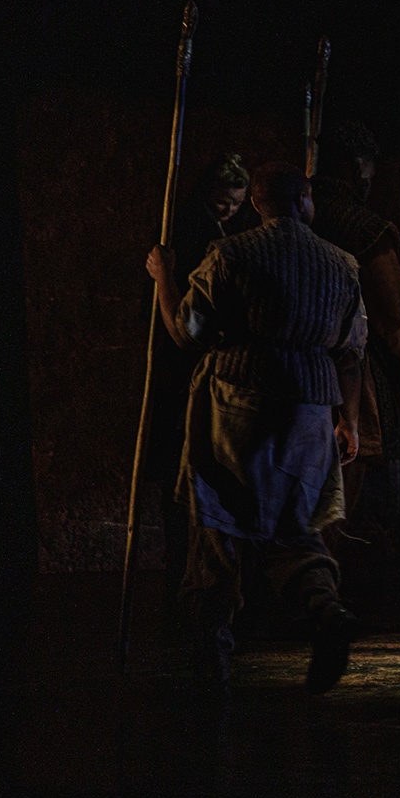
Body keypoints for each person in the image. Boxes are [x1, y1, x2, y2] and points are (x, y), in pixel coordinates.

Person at [146, 161, 366, 693]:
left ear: (256, 204)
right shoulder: (341, 264)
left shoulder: (231, 255)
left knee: (220, 527)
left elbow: (187, 330)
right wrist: (350, 421)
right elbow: (352, 351)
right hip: (312, 408)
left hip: (237, 404)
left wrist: (164, 277)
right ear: (305, 201)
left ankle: (210, 657)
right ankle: (324, 608)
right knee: (298, 527)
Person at [308, 121, 400, 598]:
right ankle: (334, 599)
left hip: (293, 380)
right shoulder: (357, 227)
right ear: (357, 170)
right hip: (348, 381)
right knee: (346, 495)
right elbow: (394, 310)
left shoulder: (298, 216)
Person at [143, 153, 255, 605]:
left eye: (237, 203)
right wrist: (164, 275)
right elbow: (184, 326)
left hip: (219, 368)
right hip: (184, 365)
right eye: (223, 201)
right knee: (179, 472)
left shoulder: (241, 237)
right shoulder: (187, 230)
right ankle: (182, 578)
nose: (229, 209)